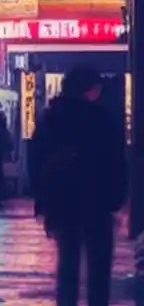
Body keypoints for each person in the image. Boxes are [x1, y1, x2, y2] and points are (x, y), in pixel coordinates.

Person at [31, 66, 127, 306]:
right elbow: (115, 161)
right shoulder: (102, 119)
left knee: (68, 264)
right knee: (98, 269)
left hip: (64, 201)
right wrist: (117, 196)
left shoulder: (52, 118)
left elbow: (36, 160)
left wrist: (43, 199)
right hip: (97, 201)